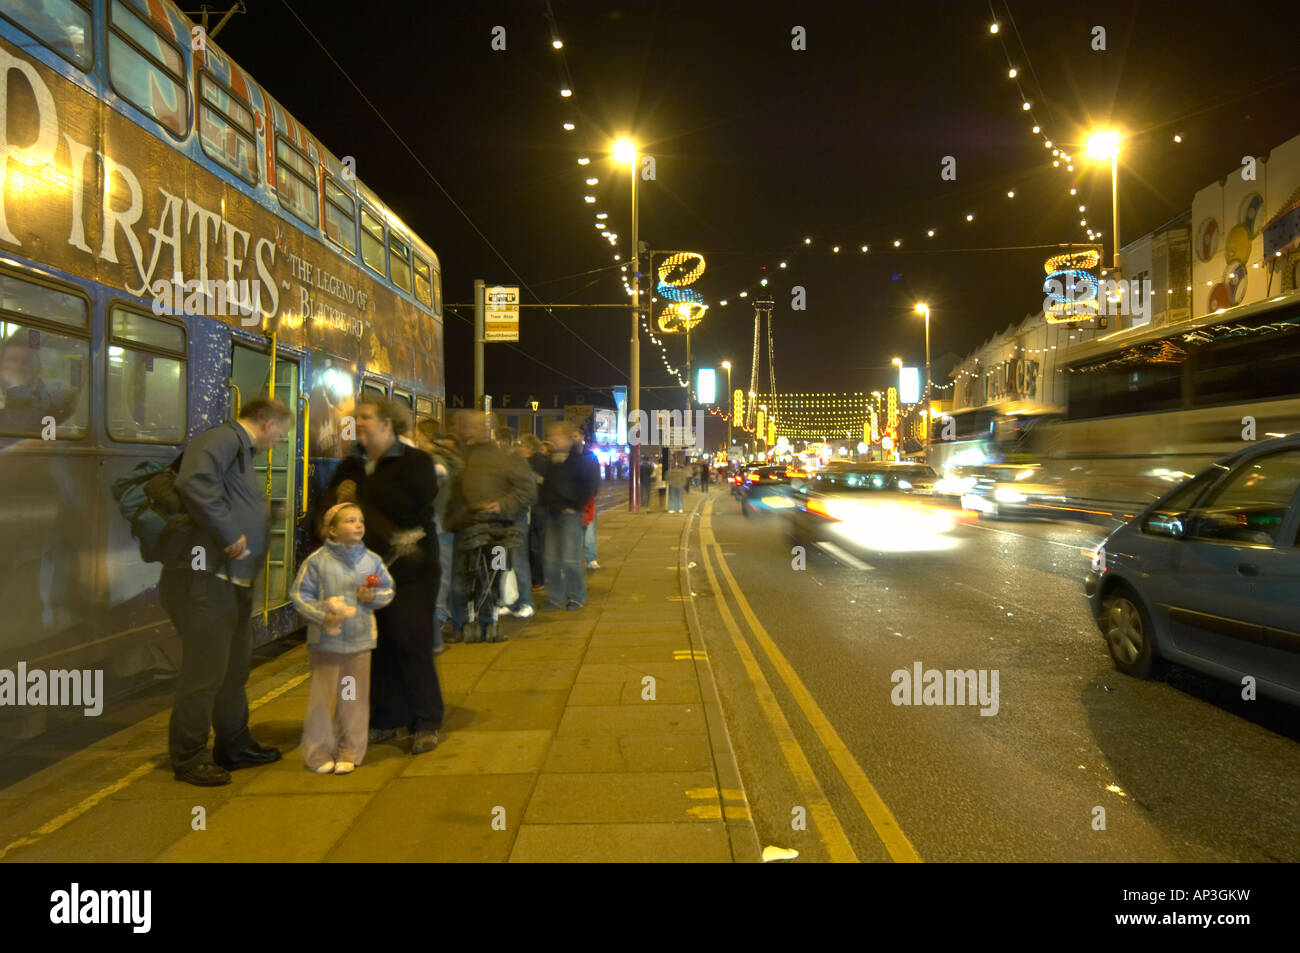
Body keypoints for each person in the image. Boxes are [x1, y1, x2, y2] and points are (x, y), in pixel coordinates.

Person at [161, 397, 293, 786]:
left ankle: (234, 745)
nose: (279, 441)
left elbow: (229, 497)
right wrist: (229, 532)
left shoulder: (243, 453)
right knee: (204, 673)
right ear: (268, 423)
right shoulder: (223, 438)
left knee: (232, 672)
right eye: (281, 434)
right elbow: (193, 481)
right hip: (205, 581)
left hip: (233, 581)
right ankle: (188, 757)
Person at [324, 397, 442, 755]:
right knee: (377, 645)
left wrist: (359, 499)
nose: (359, 423)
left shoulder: (416, 462)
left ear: (388, 424)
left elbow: (413, 507)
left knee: (409, 638)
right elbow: (327, 511)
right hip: (364, 572)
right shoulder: (350, 465)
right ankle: (386, 719)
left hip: (411, 570)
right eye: (356, 417)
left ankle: (426, 721)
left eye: (367, 418)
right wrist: (339, 502)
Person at [290, 503, 394, 774]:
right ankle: (318, 752)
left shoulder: (371, 561)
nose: (358, 525)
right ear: (332, 530)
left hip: (358, 643)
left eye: (360, 520)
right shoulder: (317, 562)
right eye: (349, 521)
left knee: (352, 697)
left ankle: (350, 749)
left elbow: (387, 590)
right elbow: (300, 595)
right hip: (326, 644)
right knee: (322, 699)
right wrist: (322, 615)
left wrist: (373, 596)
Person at [447, 411, 537, 640]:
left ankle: (488, 622)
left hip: (501, 532)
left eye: (476, 426)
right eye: (467, 425)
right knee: (460, 580)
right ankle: (460, 625)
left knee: (494, 577)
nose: (470, 430)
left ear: (489, 429)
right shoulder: (459, 456)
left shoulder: (508, 456)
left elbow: (527, 490)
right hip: (466, 529)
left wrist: (501, 505)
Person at [540, 420, 598, 610]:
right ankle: (555, 597)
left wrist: (575, 506)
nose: (552, 439)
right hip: (552, 514)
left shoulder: (580, 459)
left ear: (566, 438)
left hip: (570, 514)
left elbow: (589, 485)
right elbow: (544, 486)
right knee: (551, 560)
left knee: (571, 559)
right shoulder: (550, 461)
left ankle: (576, 596)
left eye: (555, 436)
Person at [415, 419, 461, 654]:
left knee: (439, 576)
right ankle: (448, 618)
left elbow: (431, 494)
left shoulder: (433, 461)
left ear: (424, 435)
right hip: (447, 522)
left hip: (437, 522)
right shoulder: (448, 456)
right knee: (445, 573)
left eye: (417, 434)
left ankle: (440, 618)